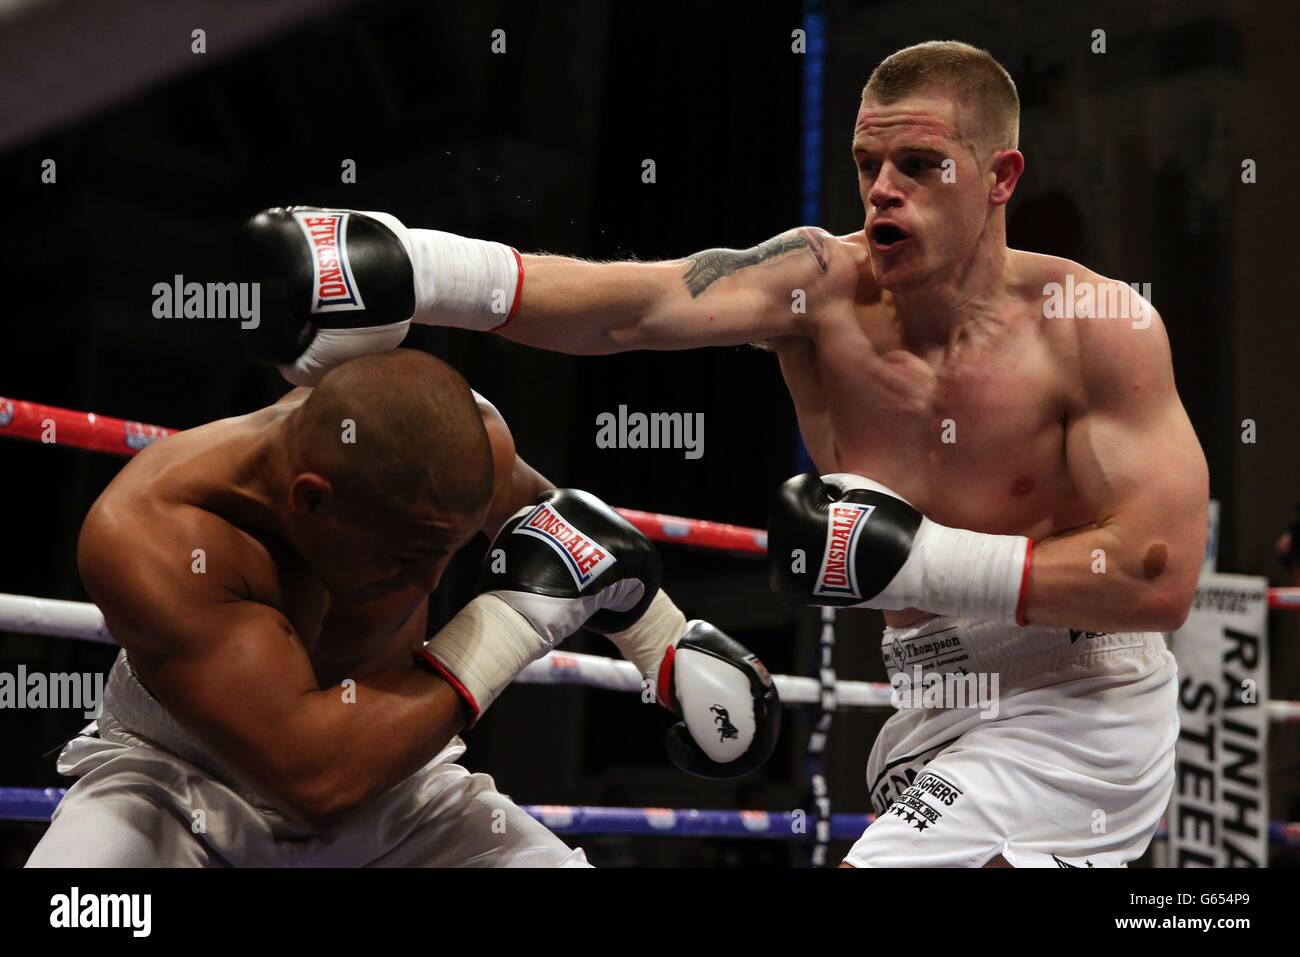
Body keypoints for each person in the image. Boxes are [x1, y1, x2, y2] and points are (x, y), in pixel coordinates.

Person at [240, 40, 1209, 867]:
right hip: (927, 692)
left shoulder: (1094, 327)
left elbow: (1155, 582)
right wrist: (425, 270)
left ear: (999, 178)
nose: (882, 189)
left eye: (919, 164)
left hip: (1080, 698)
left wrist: (921, 562)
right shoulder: (816, 287)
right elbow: (636, 310)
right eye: (867, 163)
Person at [27, 350, 778, 867]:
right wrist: (510, 623)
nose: (428, 580)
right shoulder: (153, 533)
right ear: (312, 501)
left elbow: (569, 537)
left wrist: (667, 644)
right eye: (409, 553)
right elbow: (314, 775)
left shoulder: (460, 448)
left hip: (400, 785)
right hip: (175, 780)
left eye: (444, 551)